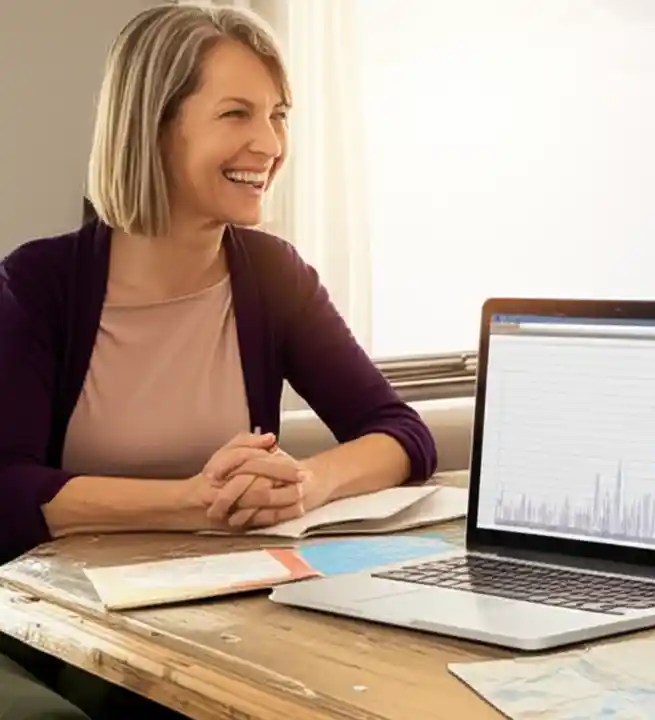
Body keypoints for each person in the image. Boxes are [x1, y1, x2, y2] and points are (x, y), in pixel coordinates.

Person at [0, 3, 436, 715]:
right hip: (47, 628)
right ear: (155, 125)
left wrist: (306, 483)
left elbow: (400, 433)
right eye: (237, 114)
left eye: (279, 115)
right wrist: (192, 501)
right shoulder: (38, 285)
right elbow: (7, 491)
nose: (268, 143)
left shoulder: (273, 276)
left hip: (213, 617)